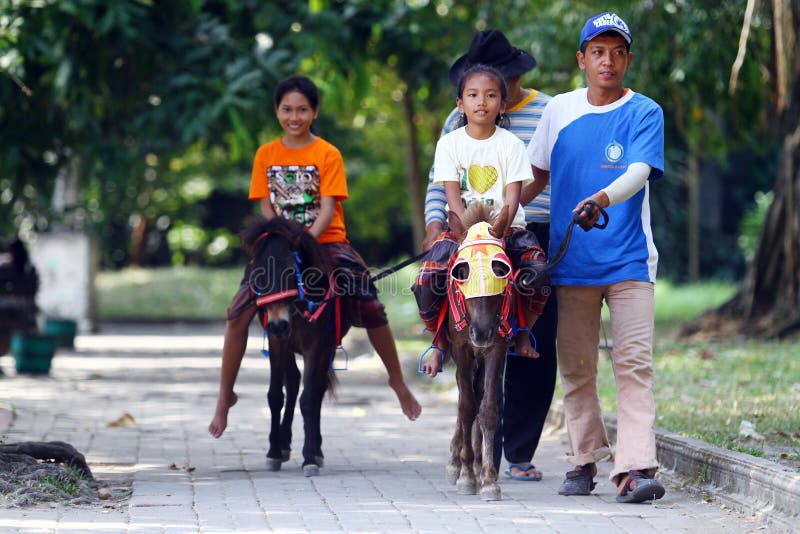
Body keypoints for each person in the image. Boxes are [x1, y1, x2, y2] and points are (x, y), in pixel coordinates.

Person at [209, 75, 421, 439]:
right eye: (287, 109)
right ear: (277, 111)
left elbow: (328, 207)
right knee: (238, 312)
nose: (295, 116)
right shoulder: (266, 154)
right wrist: (280, 242)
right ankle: (225, 394)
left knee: (370, 305)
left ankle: (397, 381)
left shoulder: (327, 153)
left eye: (302, 109)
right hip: (276, 245)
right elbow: (265, 205)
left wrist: (304, 241)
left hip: (327, 240)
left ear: (315, 111)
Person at [525, 11, 666, 503]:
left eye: (618, 52)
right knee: (579, 368)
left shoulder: (645, 111)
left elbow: (639, 173)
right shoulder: (559, 111)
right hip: (571, 266)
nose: (608, 61)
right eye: (598, 52)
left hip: (629, 263)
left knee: (633, 365)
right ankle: (583, 460)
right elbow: (533, 178)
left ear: (628, 59)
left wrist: (601, 199)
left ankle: (634, 469)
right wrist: (492, 212)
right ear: (581, 59)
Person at [419, 29, 556, 482]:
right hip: (464, 230)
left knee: (537, 287)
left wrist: (499, 229)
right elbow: (445, 189)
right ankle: (438, 339)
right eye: (474, 92)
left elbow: (522, 192)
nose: (485, 99)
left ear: (509, 89)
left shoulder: (531, 124)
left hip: (516, 229)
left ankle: (521, 337)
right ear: (463, 97)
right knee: (433, 279)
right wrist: (444, 226)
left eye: (495, 90)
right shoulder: (453, 131)